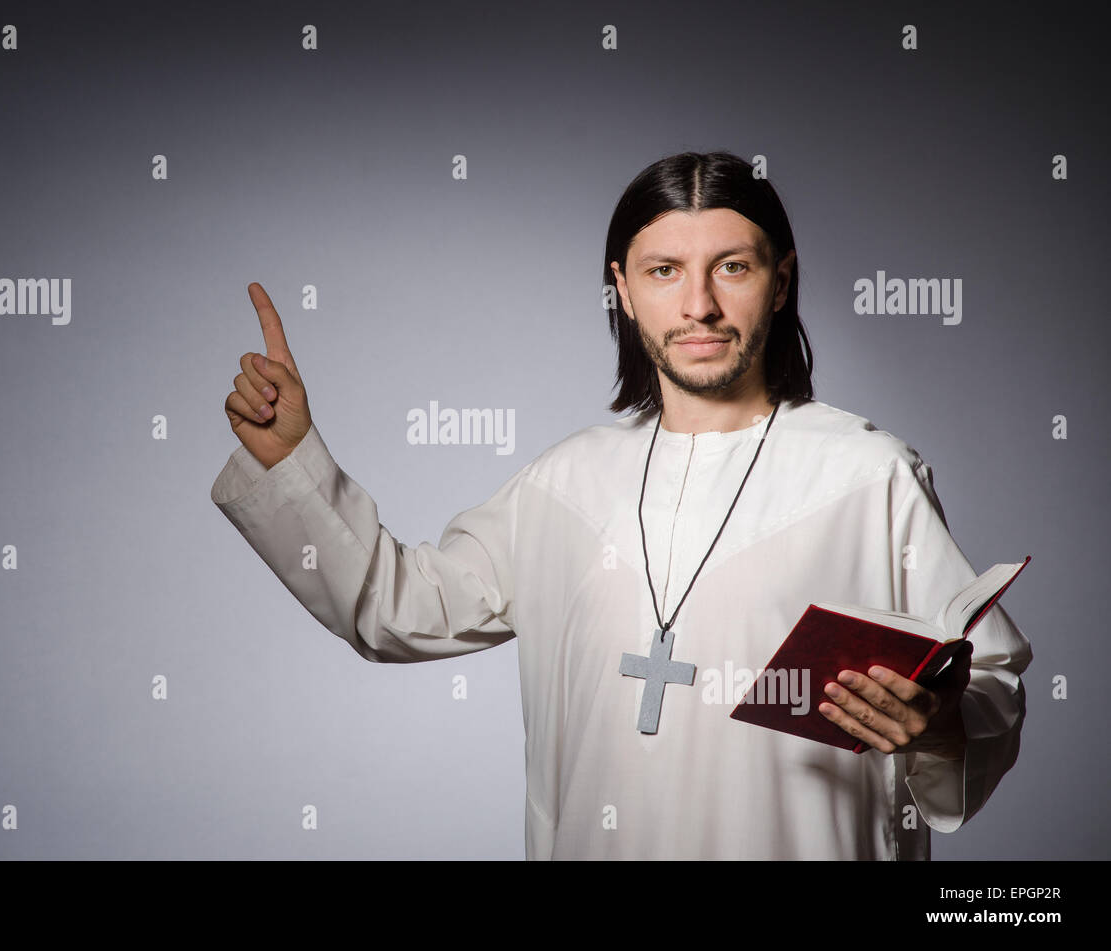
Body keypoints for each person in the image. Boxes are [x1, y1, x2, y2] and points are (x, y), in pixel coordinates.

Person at [210, 151, 1031, 860]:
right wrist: (294, 458)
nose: (699, 304)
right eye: (664, 270)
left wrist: (939, 725)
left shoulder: (866, 476)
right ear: (624, 290)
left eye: (732, 267)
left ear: (781, 282)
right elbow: (396, 608)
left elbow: (987, 678)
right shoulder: (566, 483)